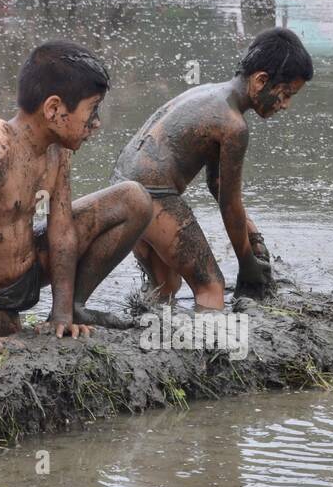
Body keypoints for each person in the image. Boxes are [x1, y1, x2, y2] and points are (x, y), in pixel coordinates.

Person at [0, 42, 153, 351]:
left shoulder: (58, 147)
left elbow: (63, 230)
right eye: (91, 110)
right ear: (54, 109)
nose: (96, 124)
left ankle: (76, 306)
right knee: (7, 346)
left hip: (29, 267)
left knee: (134, 199)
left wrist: (62, 313)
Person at [111, 27, 313, 308]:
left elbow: (216, 185)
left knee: (166, 286)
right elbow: (229, 204)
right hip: (152, 196)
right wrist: (247, 264)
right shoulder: (234, 126)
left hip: (120, 189)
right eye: (286, 94)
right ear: (261, 81)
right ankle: (210, 349)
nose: (286, 105)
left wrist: (253, 236)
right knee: (211, 286)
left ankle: (150, 340)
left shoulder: (211, 95)